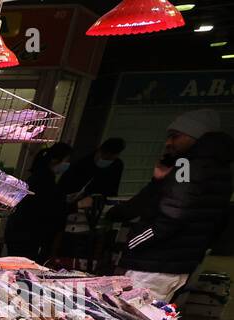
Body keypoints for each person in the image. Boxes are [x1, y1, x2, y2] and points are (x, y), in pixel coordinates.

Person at [106, 109, 233, 301]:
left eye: (175, 136)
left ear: (195, 136)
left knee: (132, 316)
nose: (168, 143)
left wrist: (134, 241)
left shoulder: (188, 166)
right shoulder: (217, 167)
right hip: (174, 262)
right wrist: (159, 181)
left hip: (156, 264)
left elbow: (174, 215)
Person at [3, 142, 72, 262]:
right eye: (66, 160)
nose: (68, 164)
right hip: (27, 234)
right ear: (55, 160)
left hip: (21, 232)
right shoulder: (44, 179)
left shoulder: (40, 176)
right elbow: (49, 207)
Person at [59, 137, 125, 200]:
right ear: (100, 151)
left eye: (110, 159)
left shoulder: (117, 165)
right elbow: (65, 184)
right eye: (105, 157)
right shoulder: (82, 162)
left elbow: (113, 189)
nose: (106, 161)